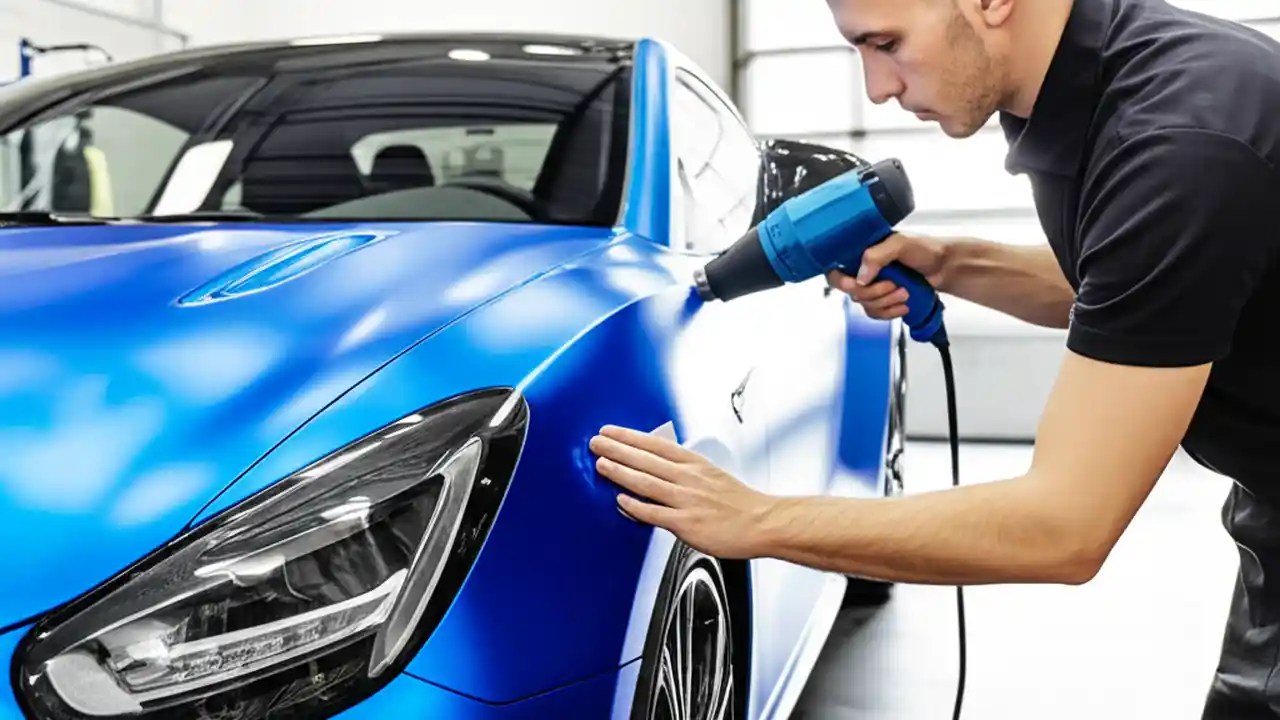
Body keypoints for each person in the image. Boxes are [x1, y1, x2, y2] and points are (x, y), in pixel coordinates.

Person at [588, 0, 1280, 715]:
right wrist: (950, 262)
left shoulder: (1179, 145)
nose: (877, 88)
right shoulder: (1111, 90)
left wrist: (755, 520)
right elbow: (1134, 285)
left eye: (886, 44)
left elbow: (1064, 526)